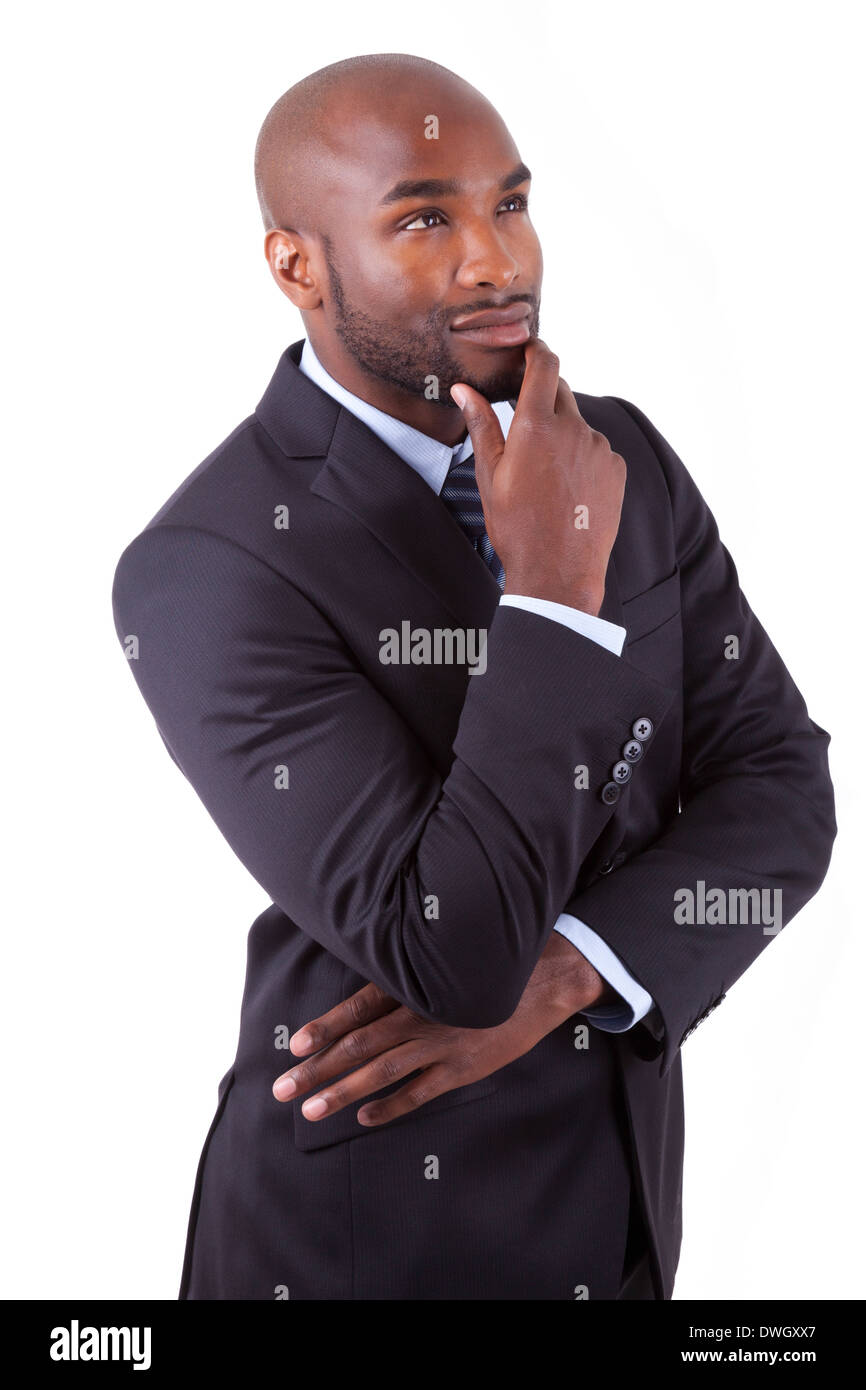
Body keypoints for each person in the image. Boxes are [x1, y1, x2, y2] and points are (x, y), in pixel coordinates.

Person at [111, 52, 836, 1300]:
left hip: (619, 1218)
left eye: (508, 202)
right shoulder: (208, 564)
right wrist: (549, 590)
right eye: (424, 218)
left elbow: (782, 792)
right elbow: (445, 950)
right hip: (358, 1236)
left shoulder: (625, 458)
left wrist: (572, 973)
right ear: (295, 266)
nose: (498, 259)